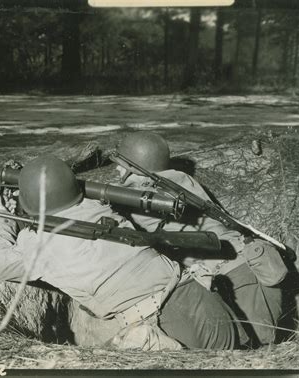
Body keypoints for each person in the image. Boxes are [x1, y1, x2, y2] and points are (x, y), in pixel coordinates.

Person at [0, 154, 244, 351]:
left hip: (168, 328)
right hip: (203, 301)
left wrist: (4, 218)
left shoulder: (37, 245)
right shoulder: (100, 207)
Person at [110, 131, 288, 347]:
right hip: (241, 269)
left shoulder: (143, 191)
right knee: (251, 350)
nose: (116, 168)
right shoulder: (178, 179)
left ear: (135, 166)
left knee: (258, 351)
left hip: (240, 276)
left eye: (120, 163)